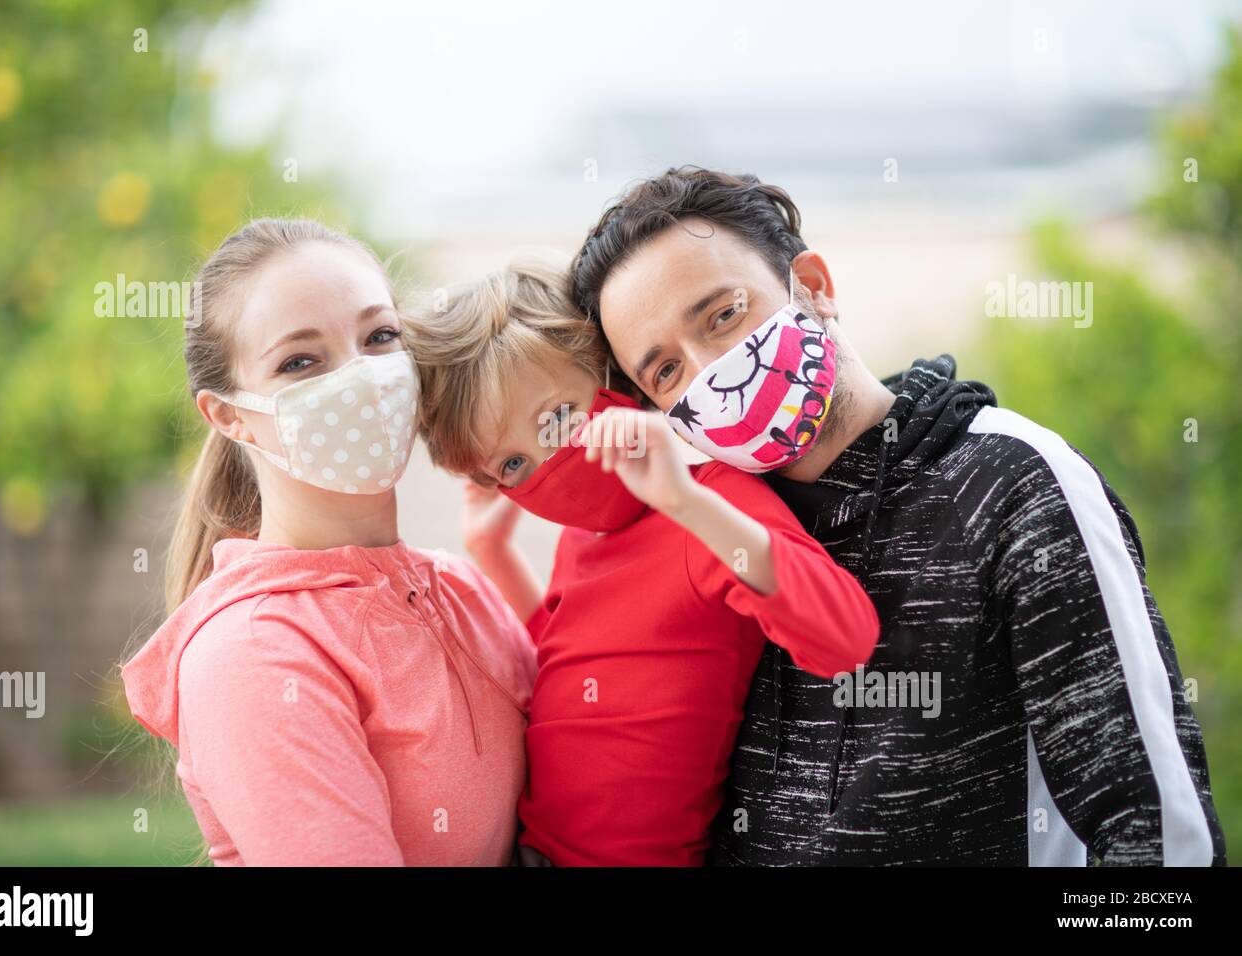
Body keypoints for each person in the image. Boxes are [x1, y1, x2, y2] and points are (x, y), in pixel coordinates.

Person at [569, 166, 1227, 866]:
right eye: (666, 371)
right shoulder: (704, 535)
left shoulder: (1015, 482)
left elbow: (1161, 844)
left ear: (814, 286)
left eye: (724, 315)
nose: (710, 371)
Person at [403, 259, 879, 865]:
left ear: (619, 384)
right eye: (513, 466)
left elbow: (845, 636)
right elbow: (570, 669)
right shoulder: (584, 538)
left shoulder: (710, 502)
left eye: (557, 420)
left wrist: (684, 500)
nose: (547, 465)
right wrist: (494, 552)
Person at [121, 218, 537, 866]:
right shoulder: (255, 652)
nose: (363, 378)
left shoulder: (462, 587)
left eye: (379, 337)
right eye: (300, 361)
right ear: (230, 416)